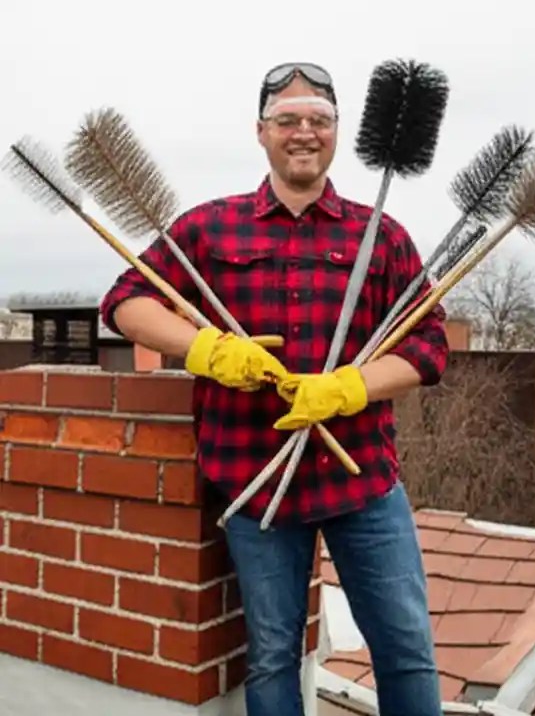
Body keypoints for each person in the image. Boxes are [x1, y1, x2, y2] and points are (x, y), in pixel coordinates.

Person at [99, 62, 449, 716]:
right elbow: (124, 301)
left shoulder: (382, 237)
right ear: (261, 132)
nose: (304, 132)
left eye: (319, 120)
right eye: (288, 120)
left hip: (364, 481)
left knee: (406, 647)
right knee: (271, 654)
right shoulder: (209, 228)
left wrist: (348, 387)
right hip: (255, 482)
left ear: (339, 133)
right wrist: (207, 350)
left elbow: (429, 342)